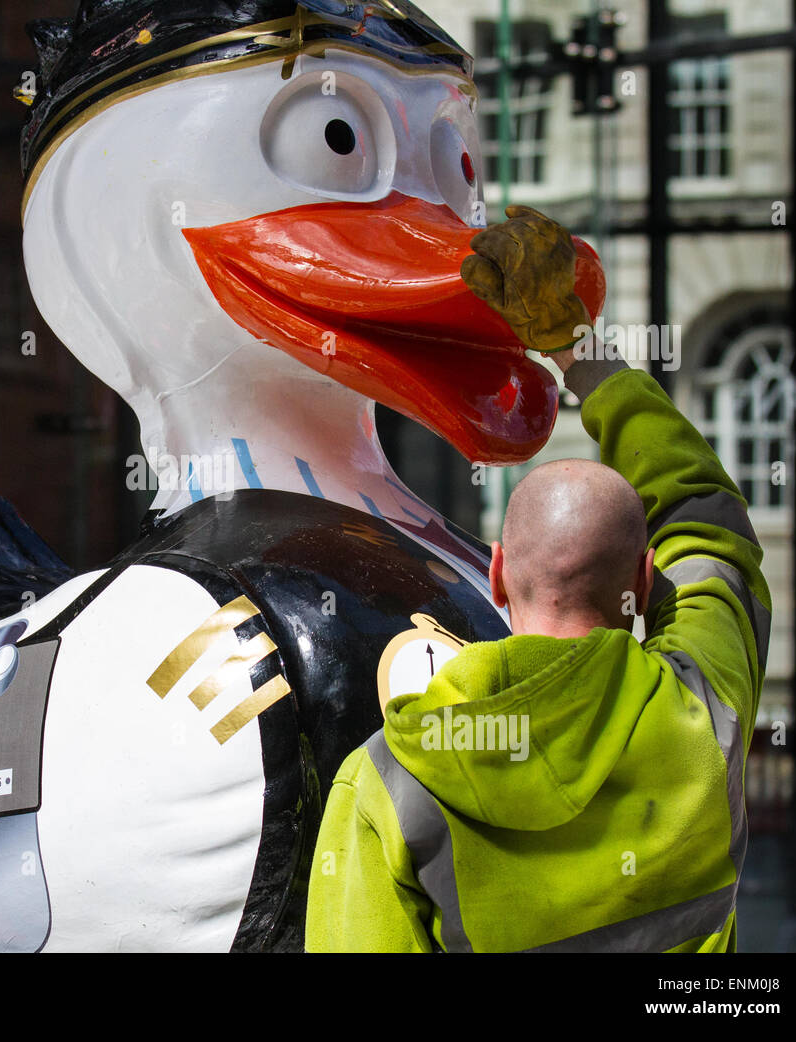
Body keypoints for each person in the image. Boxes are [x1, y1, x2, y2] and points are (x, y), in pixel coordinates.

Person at [305, 207, 770, 952]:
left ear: (495, 573)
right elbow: (709, 518)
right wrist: (580, 354)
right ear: (645, 583)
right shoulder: (706, 705)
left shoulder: (388, 779)